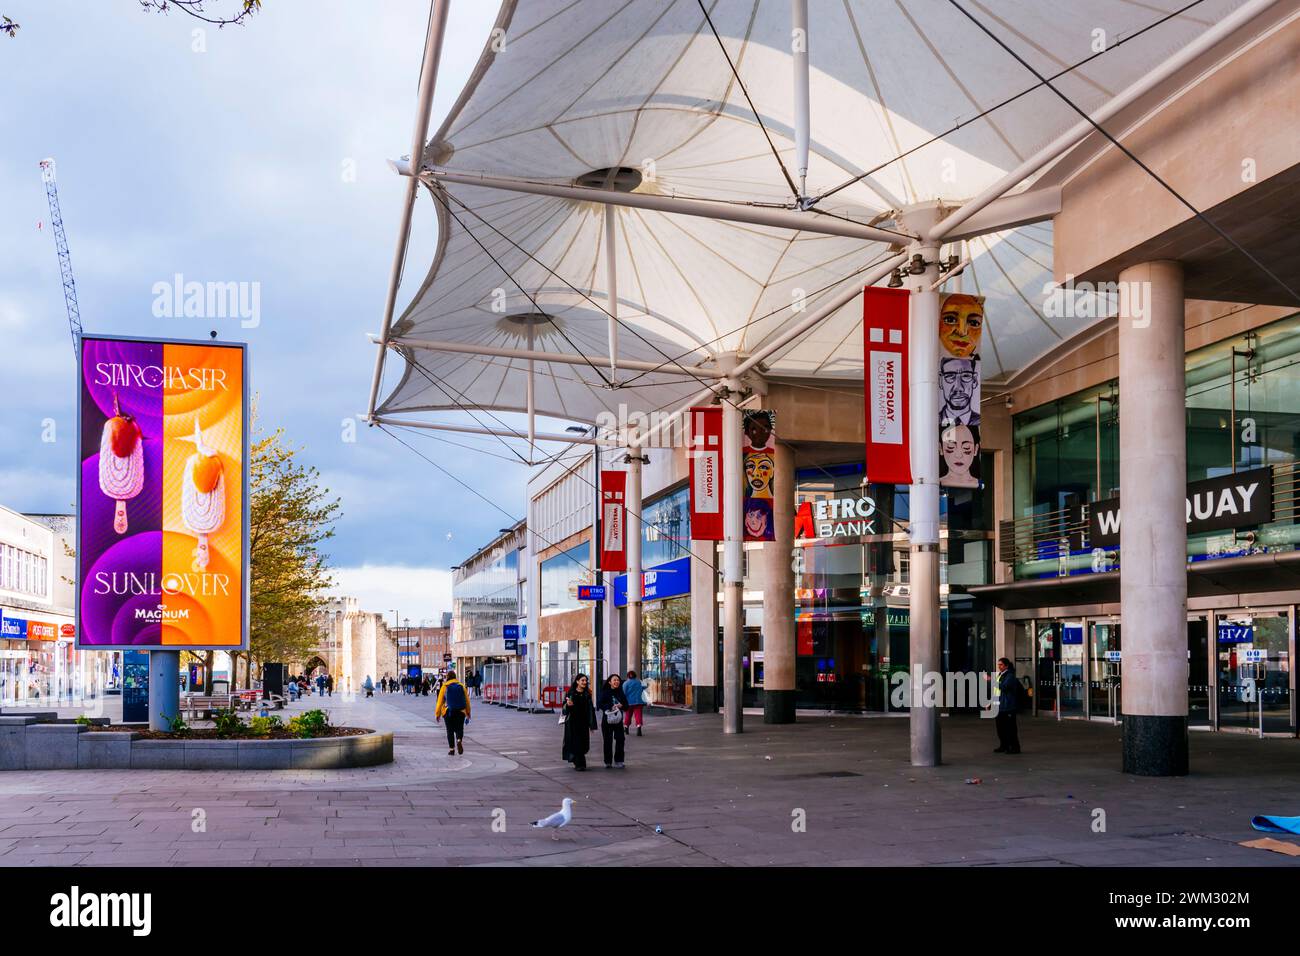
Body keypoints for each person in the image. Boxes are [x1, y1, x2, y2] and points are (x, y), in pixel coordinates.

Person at [560, 673, 598, 771]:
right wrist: (568, 705)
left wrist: (592, 725)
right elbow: (564, 709)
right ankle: (579, 763)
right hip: (573, 722)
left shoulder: (587, 694)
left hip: (584, 722)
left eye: (586, 680)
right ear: (577, 681)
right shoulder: (571, 693)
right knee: (575, 742)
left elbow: (590, 710)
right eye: (582, 680)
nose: (585, 682)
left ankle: (578, 761)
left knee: (584, 742)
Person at [435, 669, 472, 755]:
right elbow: (467, 701)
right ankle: (459, 740)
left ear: (447, 678)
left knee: (450, 730)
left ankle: (452, 749)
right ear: (455, 677)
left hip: (448, 712)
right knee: (459, 728)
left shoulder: (444, 686)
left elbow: (439, 702)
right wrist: (468, 712)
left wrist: (437, 714)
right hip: (460, 711)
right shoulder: (461, 686)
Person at [597, 674, 628, 769]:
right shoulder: (605, 692)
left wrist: (621, 705)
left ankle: (619, 760)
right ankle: (608, 761)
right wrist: (611, 706)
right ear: (610, 682)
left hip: (618, 720)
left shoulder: (621, 692)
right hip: (607, 720)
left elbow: (626, 706)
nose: (616, 682)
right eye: (614, 680)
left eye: (618, 680)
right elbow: (600, 704)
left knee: (620, 739)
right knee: (607, 740)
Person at [994, 658, 1023, 755]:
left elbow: (1004, 687)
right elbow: (997, 691)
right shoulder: (1000, 675)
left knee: (1010, 728)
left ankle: (1015, 747)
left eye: (1001, 664)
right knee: (1000, 728)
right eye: (998, 664)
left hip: (1008, 706)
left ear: (1006, 666)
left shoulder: (1010, 676)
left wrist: (992, 681)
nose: (999, 666)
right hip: (1000, 705)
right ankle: (1004, 745)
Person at [622, 669, 646, 736]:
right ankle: (639, 728)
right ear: (635, 675)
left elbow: (623, 693)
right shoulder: (639, 682)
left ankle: (626, 728)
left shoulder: (626, 683)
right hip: (638, 702)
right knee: (638, 715)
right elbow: (645, 687)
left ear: (628, 676)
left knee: (628, 715)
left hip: (629, 702)